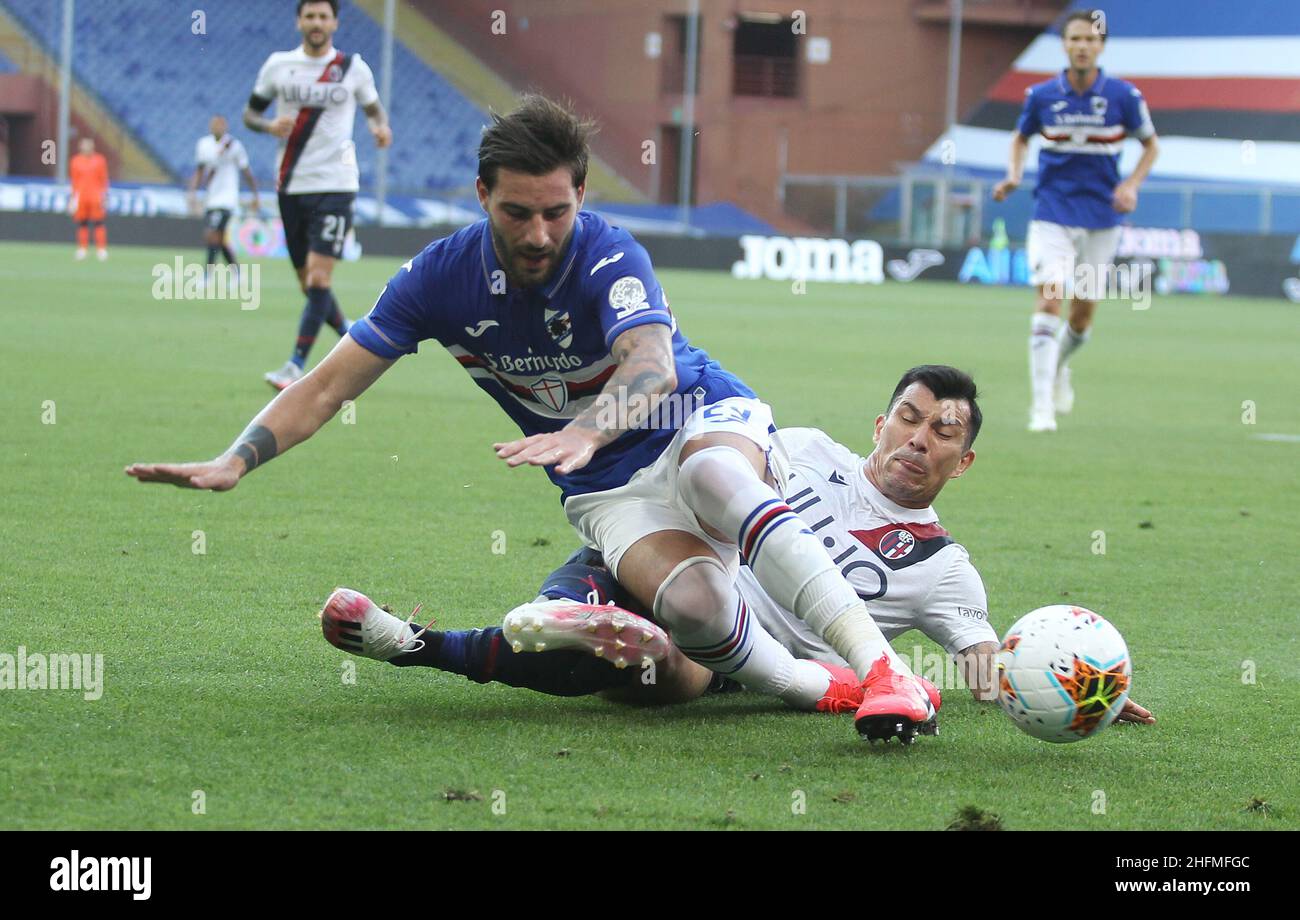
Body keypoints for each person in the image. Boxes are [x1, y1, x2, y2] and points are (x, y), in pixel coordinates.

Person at [126, 94, 938, 745]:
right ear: (482, 196)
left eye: (557, 210)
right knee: (690, 610)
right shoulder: (437, 279)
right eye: (517, 213)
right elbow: (329, 386)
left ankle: (884, 670)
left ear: (582, 193)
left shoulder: (611, 253)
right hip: (609, 488)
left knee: (711, 473)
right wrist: (239, 457)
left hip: (696, 415)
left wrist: (589, 428)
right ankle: (828, 691)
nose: (540, 233)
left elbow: (651, 364)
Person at [320, 364, 1156, 726]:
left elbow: (980, 660)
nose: (918, 439)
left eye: (942, 432)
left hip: (726, 661)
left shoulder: (945, 570)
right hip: (677, 551)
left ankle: (430, 645)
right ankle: (576, 613)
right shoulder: (802, 447)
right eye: (908, 417)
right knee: (640, 593)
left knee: (654, 670)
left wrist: (1069, 689)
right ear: (880, 421)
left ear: (962, 462)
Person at [991, 8, 1159, 432]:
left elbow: (1151, 146)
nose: (1082, 46)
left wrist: (1132, 185)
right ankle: (1041, 408)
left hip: (1102, 217)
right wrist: (1014, 174)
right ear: (1065, 45)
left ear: (1100, 46)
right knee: (1050, 298)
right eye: (1075, 39)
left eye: (1090, 40)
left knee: (1081, 319)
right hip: (1052, 212)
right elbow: (1020, 137)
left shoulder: (1123, 96)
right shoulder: (1042, 96)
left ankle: (1060, 366)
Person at [242, 0, 392, 391]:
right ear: (299, 22)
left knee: (320, 277)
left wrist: (380, 128)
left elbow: (374, 109)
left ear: (335, 23)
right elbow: (250, 114)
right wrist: (268, 124)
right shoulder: (279, 65)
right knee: (309, 284)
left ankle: (295, 366)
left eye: (323, 16)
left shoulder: (352, 68)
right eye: (310, 15)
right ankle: (353, 338)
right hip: (291, 185)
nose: (316, 22)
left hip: (337, 184)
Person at [189, 115, 260, 281]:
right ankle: (237, 274)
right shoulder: (203, 144)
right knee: (218, 239)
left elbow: (246, 171)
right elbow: (200, 171)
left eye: (220, 124)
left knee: (211, 234)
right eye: (214, 124)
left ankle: (207, 275)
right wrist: (192, 192)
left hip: (227, 199)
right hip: (211, 198)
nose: (217, 127)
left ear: (226, 127)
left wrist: (255, 194)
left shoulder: (234, 145)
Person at [68, 137, 109, 261]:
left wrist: (105, 196)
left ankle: (101, 249)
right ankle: (82, 249)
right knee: (82, 223)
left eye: (88, 145)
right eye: (84, 146)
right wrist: (72, 198)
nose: (86, 148)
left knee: (99, 222)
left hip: (96, 196)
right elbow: (74, 181)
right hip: (81, 197)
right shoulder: (75, 161)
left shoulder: (100, 160)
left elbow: (104, 179)